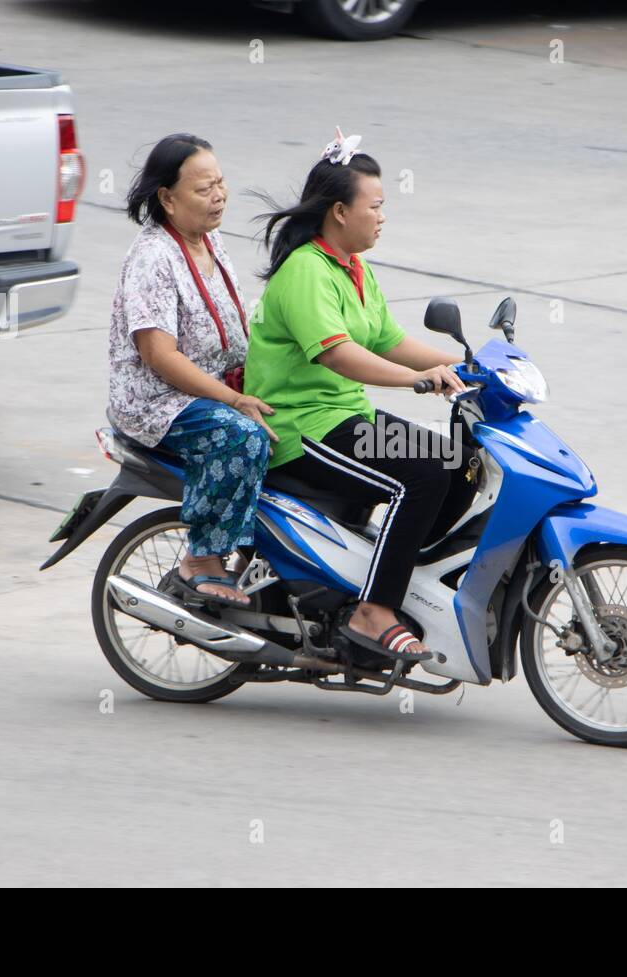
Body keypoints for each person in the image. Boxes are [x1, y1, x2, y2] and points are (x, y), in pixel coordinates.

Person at [245, 130, 475, 660]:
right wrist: (417, 381)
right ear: (340, 212)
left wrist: (466, 363)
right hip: (302, 427)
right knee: (421, 474)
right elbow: (338, 354)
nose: (382, 216)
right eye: (375, 206)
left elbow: (388, 340)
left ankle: (397, 587)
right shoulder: (306, 270)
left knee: (461, 464)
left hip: (344, 417)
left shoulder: (355, 270)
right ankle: (374, 612)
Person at [108, 133, 277, 606]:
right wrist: (233, 399)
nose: (219, 196)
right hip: (160, 402)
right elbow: (159, 355)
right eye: (204, 190)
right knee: (241, 435)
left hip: (212, 384)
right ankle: (202, 560)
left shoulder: (209, 240)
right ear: (167, 197)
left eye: (221, 184)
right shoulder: (152, 257)